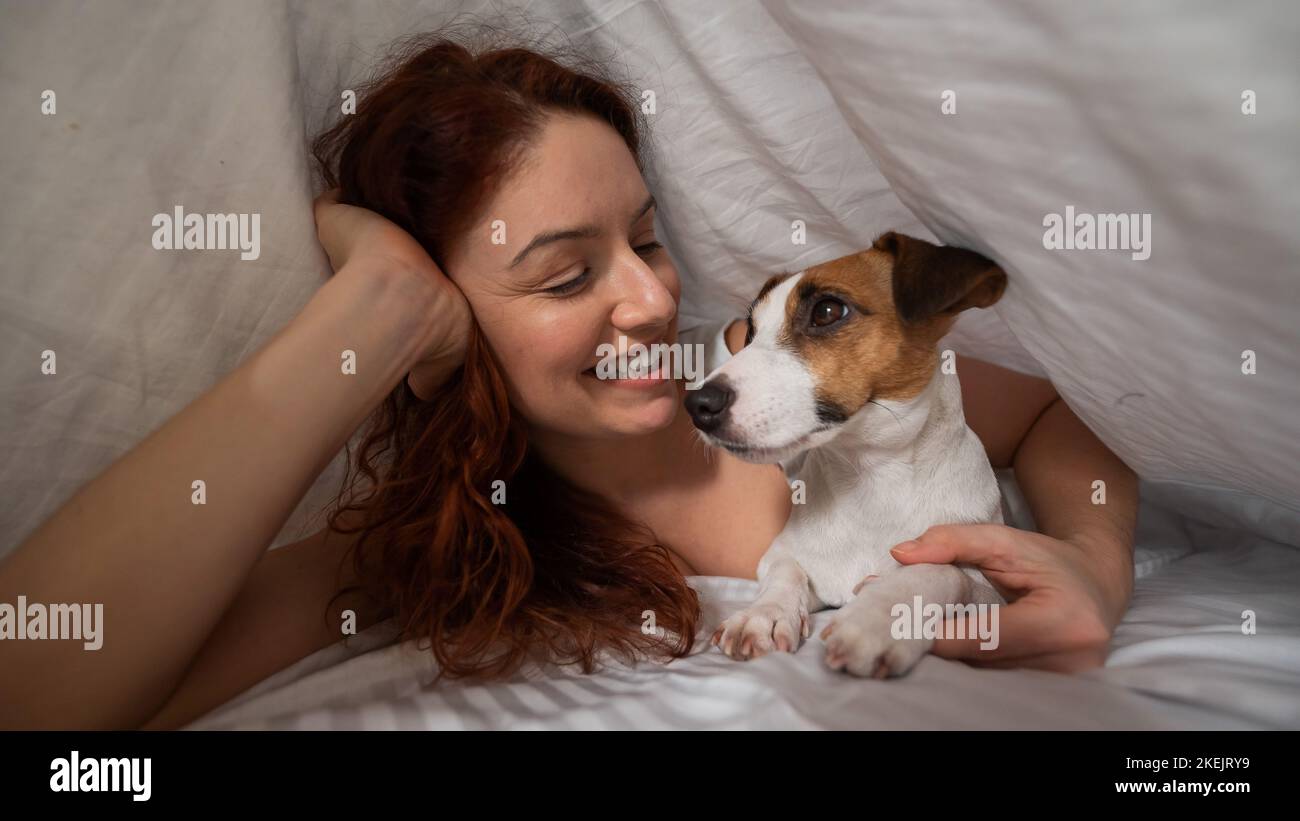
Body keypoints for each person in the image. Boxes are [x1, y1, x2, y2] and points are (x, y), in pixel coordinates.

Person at [0, 31, 1137, 731]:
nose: (649, 302)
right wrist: (369, 315)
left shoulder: (773, 393)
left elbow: (1050, 405)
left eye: (644, 240)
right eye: (561, 276)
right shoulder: (439, 555)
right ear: (444, 330)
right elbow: (33, 687)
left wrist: (1091, 561)